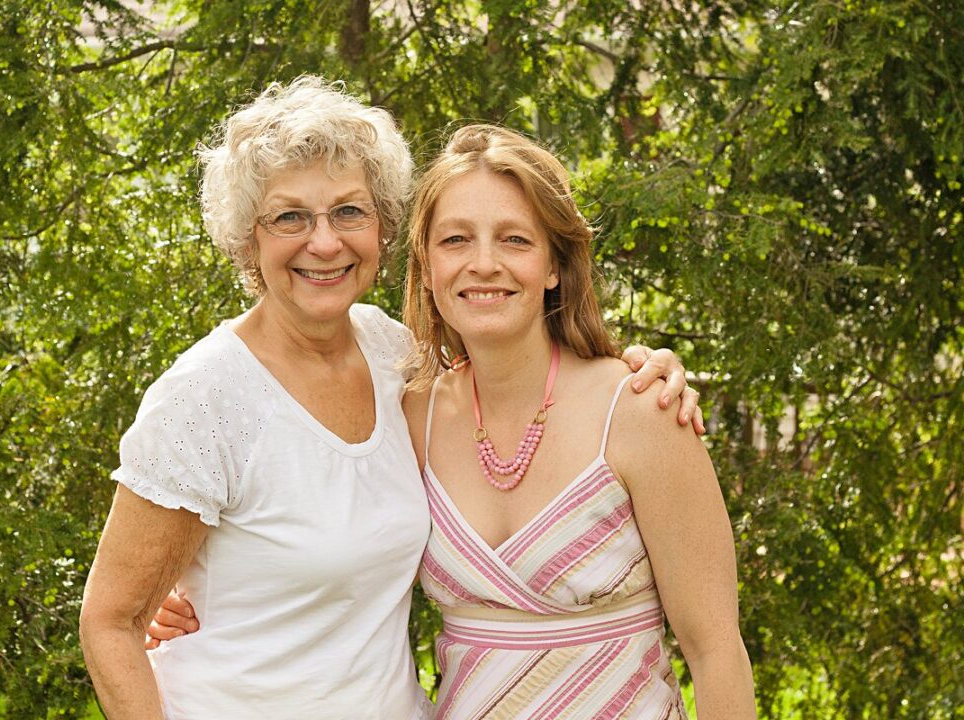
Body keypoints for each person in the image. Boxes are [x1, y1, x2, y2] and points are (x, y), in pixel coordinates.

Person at [81, 76, 702, 720]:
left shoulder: (392, 357)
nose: (324, 242)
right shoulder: (205, 398)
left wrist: (638, 367)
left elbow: (518, 378)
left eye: (349, 211)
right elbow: (109, 621)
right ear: (247, 239)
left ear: (381, 229)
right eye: (289, 216)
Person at [399, 124, 757, 718]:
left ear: (554, 267)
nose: (483, 263)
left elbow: (715, 649)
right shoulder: (413, 416)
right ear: (428, 266)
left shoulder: (641, 410)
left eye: (514, 240)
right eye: (456, 240)